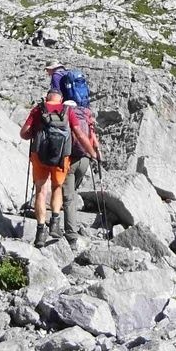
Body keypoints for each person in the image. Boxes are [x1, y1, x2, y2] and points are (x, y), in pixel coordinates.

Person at [20, 91, 71, 247]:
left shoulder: (38, 109)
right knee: (57, 187)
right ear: (60, 99)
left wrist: (34, 133)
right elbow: (76, 133)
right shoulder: (68, 110)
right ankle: (55, 222)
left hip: (39, 155)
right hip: (61, 156)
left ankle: (41, 232)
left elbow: (23, 133)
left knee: (41, 191)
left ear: (47, 97)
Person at [60, 98, 101, 245]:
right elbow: (93, 136)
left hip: (69, 160)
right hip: (85, 160)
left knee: (69, 198)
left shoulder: (64, 115)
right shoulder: (84, 115)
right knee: (72, 192)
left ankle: (71, 236)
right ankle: (68, 220)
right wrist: (96, 153)